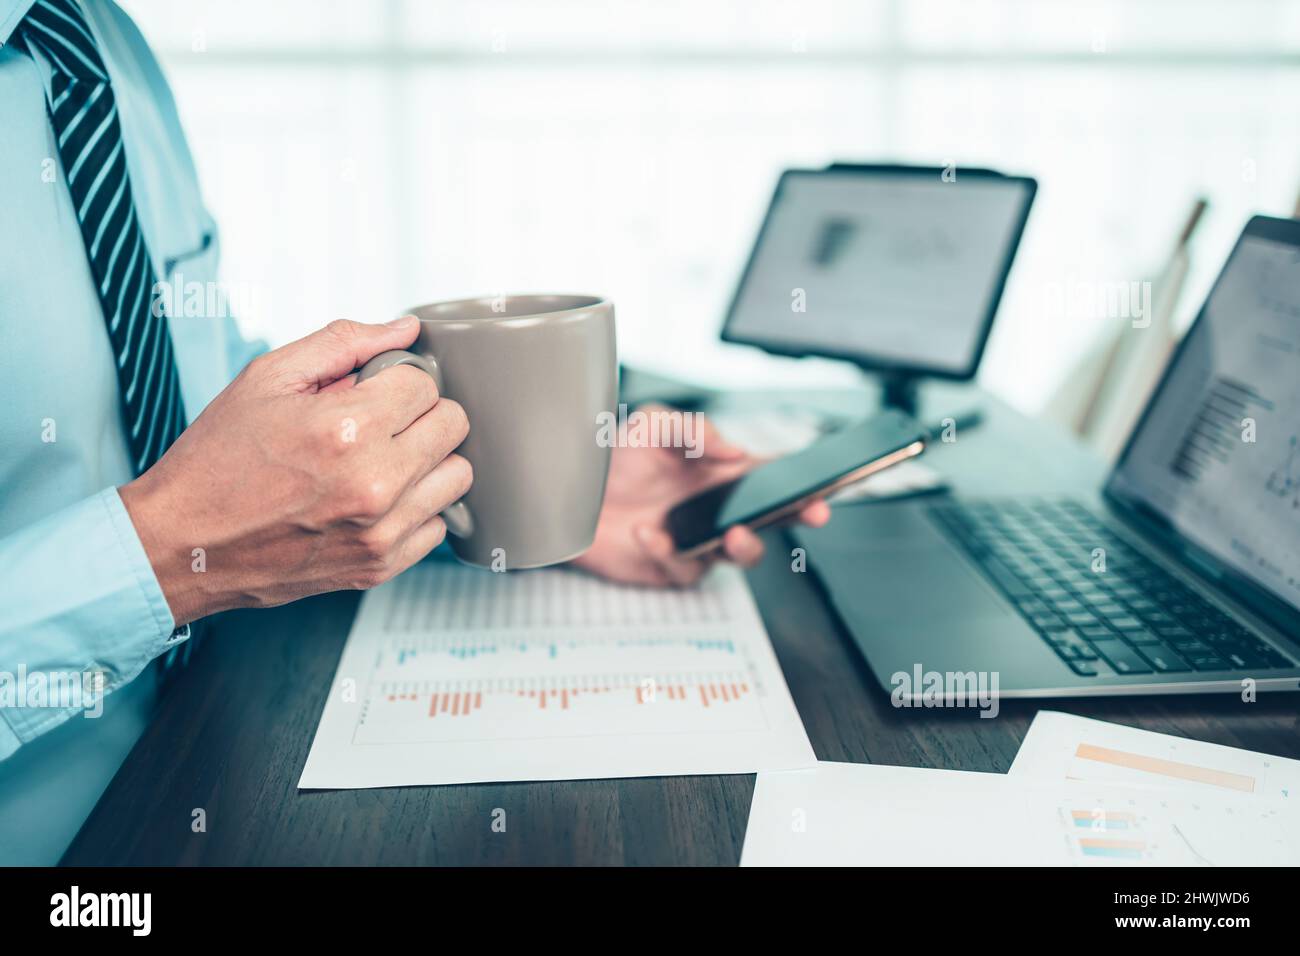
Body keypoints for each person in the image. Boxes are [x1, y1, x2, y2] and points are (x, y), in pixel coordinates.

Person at [0, 0, 830, 864]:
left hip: (217, 747)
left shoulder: (100, 40)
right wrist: (167, 556)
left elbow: (183, 385)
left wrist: (545, 477)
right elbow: (191, 504)